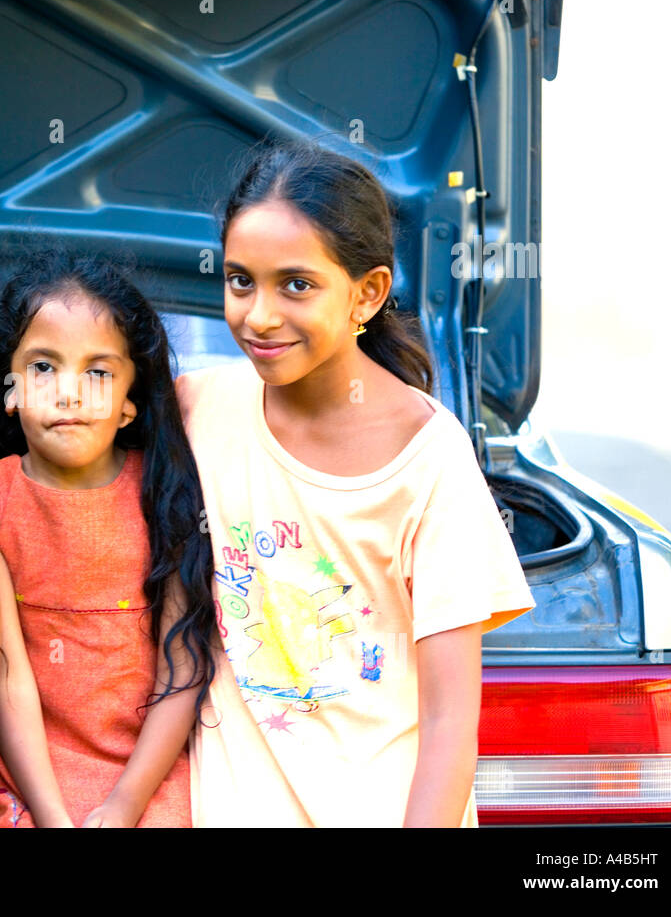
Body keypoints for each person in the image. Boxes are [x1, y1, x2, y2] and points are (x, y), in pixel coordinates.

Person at [175, 141, 535, 827]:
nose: (258, 315)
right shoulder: (198, 409)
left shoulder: (429, 460)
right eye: (240, 280)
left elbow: (451, 723)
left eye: (297, 285)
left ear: (367, 293)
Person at [0, 250, 217, 828]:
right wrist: (51, 816)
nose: (68, 393)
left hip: (151, 775)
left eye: (97, 372)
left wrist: (124, 806)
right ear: (10, 389)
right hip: (30, 778)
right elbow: (5, 680)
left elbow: (183, 666)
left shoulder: (165, 493)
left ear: (130, 401)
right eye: (43, 367)